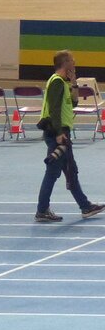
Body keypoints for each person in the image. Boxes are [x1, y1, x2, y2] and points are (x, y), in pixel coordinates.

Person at [35, 50, 105, 223]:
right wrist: (59, 134)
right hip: (56, 132)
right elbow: (55, 110)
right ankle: (42, 210)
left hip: (62, 131)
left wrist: (74, 82)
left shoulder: (64, 83)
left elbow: (73, 102)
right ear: (65, 63)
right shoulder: (56, 82)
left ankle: (85, 206)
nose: (75, 63)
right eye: (72, 61)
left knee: (70, 170)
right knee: (53, 172)